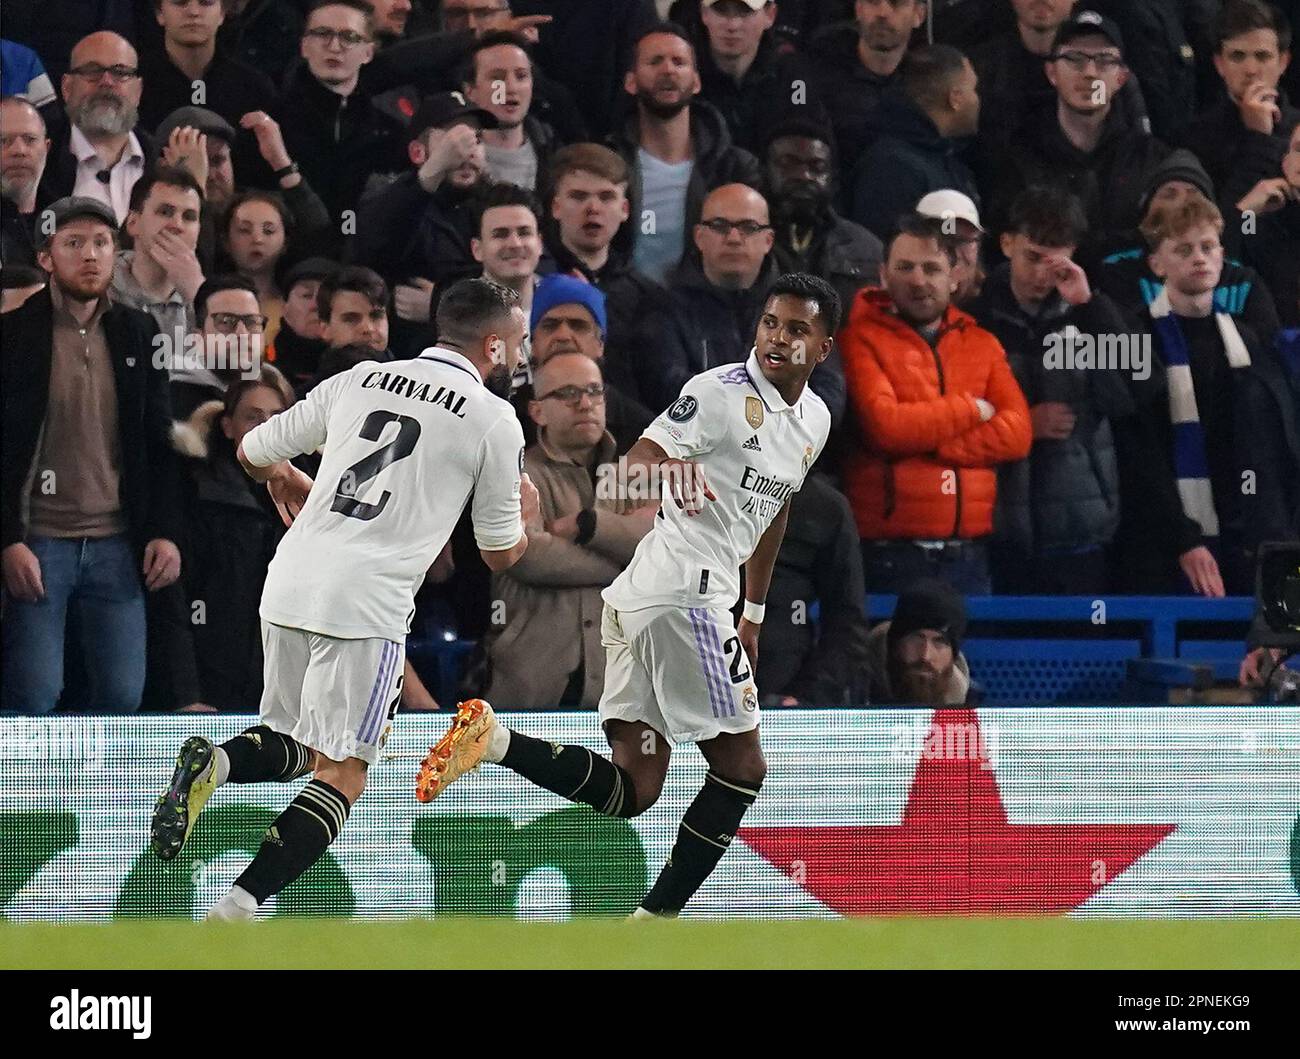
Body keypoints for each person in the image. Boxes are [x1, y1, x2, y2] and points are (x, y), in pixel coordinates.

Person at [417, 272, 838, 921]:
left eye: (796, 329)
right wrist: (665, 466)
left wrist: (752, 612)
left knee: (634, 789)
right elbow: (621, 479)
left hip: (652, 603)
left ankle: (493, 741)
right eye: (770, 322)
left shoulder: (814, 419)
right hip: (681, 596)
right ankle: (652, 929)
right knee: (743, 769)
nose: (777, 338)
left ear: (824, 347)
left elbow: (774, 508)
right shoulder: (717, 394)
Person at [149, 277, 539, 921]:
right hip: (367, 603)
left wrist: (292, 477)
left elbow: (249, 449)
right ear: (493, 345)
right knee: (345, 770)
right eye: (519, 343)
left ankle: (214, 761)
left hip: (292, 576)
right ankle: (237, 908)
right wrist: (525, 520)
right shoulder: (494, 418)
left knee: (297, 742)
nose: (521, 357)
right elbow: (499, 555)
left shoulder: (361, 378)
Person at [2, 197, 182, 713]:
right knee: (34, 693)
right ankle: (25, 796)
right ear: (45, 257)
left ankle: (106, 796)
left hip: (118, 542)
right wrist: (8, 540)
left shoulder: (138, 331)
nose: (90, 255)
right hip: (40, 540)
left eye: (101, 243)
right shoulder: (12, 337)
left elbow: (158, 441)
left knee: (124, 696)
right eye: (73, 243)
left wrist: (164, 531)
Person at [1112, 196, 1300, 596]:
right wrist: (1184, 539)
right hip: (1163, 543)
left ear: (1222, 256)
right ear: (1157, 264)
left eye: (1208, 247)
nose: (1199, 258)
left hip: (1244, 537)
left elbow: (1270, 451)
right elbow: (1139, 454)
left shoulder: (1248, 342)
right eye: (1183, 250)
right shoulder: (1137, 339)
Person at [839, 212, 1032, 595]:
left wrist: (930, 441)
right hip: (888, 556)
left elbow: (1017, 433)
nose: (918, 280)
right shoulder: (857, 338)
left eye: (931, 268)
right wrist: (970, 410)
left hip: (970, 556)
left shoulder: (982, 343)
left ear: (954, 275)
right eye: (905, 267)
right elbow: (887, 429)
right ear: (883, 274)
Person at [971, 185, 1133, 594]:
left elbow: (1137, 390)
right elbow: (953, 414)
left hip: (1078, 526)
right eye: (1033, 257)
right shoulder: (974, 318)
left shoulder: (1089, 314)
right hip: (997, 524)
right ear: (1006, 244)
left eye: (1056, 261)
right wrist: (1025, 424)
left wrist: (1089, 306)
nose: (1043, 274)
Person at [485, 352, 656, 707]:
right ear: (537, 411)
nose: (585, 403)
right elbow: (529, 556)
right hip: (533, 687)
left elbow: (665, 554)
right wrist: (630, 564)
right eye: (567, 394)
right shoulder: (513, 472)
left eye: (595, 391)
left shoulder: (636, 474)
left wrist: (589, 526)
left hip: (625, 687)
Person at [636, 182, 846, 425]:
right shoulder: (663, 308)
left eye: (748, 227)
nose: (734, 238)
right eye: (719, 226)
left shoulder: (804, 307)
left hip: (785, 451)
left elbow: (828, 395)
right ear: (699, 237)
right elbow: (666, 391)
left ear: (768, 240)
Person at [985, 8, 1170, 271]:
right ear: (1051, 73)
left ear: (1121, 78)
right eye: (1074, 58)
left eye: (1104, 60)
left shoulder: (1151, 159)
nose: (1090, 73)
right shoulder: (1017, 155)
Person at [169, 365, 298, 712]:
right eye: (253, 418)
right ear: (228, 427)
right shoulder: (200, 495)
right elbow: (178, 600)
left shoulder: (314, 497)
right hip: (218, 688)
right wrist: (188, 694)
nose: (267, 428)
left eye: (277, 417)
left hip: (287, 691)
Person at [609, 23, 762, 285]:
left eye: (678, 62)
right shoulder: (609, 163)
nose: (668, 69)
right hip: (621, 306)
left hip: (701, 309)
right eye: (655, 61)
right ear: (630, 82)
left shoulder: (733, 168)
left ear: (696, 81)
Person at [349, 91, 495, 356]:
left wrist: (439, 305)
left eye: (476, 139)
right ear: (418, 152)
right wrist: (434, 170)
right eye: (454, 140)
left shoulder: (496, 204)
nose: (468, 151)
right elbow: (373, 247)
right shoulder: (392, 199)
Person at [272, 0, 405, 230]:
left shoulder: (389, 132)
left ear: (368, 52)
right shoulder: (273, 121)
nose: (334, 46)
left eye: (350, 37)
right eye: (322, 33)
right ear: (304, 46)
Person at [544, 143, 663, 378]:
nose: (593, 208)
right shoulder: (533, 283)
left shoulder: (649, 297)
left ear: (625, 209)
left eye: (606, 197)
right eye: (579, 196)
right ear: (556, 207)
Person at [1175, 1, 1299, 227]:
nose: (1251, 70)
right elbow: (1225, 230)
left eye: (1262, 56)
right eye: (1237, 56)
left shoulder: (1298, 130)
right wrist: (1259, 140)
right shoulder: (1196, 139)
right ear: (1219, 64)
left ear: (1283, 62)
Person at [137, 0, 280, 188]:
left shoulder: (254, 87)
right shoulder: (135, 83)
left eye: (206, 3)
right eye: (180, 3)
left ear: (222, 14)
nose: (194, 12)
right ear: (159, 14)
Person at [758, 469, 868, 705]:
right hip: (696, 684)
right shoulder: (697, 492)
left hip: (784, 694)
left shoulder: (826, 508)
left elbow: (848, 622)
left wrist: (806, 696)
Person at [849, 44, 982, 241]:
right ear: (955, 99)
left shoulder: (946, 159)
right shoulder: (891, 166)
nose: (978, 98)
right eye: (973, 89)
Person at [761, 114, 884, 315]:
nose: (803, 176)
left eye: (816, 167)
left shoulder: (864, 249)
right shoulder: (743, 241)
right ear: (765, 170)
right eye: (788, 163)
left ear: (833, 178)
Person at [525, 273, 655, 453]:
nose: (563, 336)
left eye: (578, 325)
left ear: (600, 344)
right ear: (532, 343)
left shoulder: (642, 431)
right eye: (550, 326)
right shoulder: (507, 418)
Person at [808, 0, 928, 188]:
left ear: (919, 15)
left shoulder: (927, 88)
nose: (882, 12)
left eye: (897, 3)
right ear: (858, 9)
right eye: (873, 1)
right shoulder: (814, 75)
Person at [39, 33, 153, 221]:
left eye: (120, 72)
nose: (107, 82)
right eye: (92, 71)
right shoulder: (40, 160)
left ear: (138, 90)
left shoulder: (162, 161)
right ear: (67, 87)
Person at [693, 0, 818, 156]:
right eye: (721, 10)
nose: (732, 25)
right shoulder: (685, 73)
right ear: (704, 13)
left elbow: (809, 138)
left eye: (745, 12)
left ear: (770, 15)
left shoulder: (794, 76)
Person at [110, 167, 206, 339]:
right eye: (165, 212)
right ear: (133, 223)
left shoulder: (211, 298)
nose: (177, 225)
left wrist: (199, 296)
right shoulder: (99, 287)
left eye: (189, 217)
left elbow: (232, 361)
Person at [459, 30, 558, 191]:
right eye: (497, 78)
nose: (511, 88)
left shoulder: (553, 153)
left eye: (521, 76)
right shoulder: (454, 163)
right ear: (470, 91)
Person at [860, 577, 972, 705]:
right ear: (895, 643)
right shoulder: (854, 691)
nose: (925, 656)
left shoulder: (968, 711)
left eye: (939, 642)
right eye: (916, 638)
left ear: (953, 655)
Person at [169, 273, 267, 419]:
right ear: (199, 337)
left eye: (252, 321)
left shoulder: (279, 394)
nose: (242, 334)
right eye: (225, 322)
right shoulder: (172, 405)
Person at [267, 256, 336, 389]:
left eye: (325, 296)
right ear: (284, 307)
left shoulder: (356, 370)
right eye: (306, 295)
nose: (316, 305)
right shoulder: (262, 367)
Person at [0, 95, 53, 267]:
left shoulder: (63, 218)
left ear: (47, 148)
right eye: (3, 141)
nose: (19, 150)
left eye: (30, 140)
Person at [915, 187, 985, 307]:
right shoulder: (900, 302)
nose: (956, 253)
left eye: (965, 241)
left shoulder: (991, 304)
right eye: (947, 240)